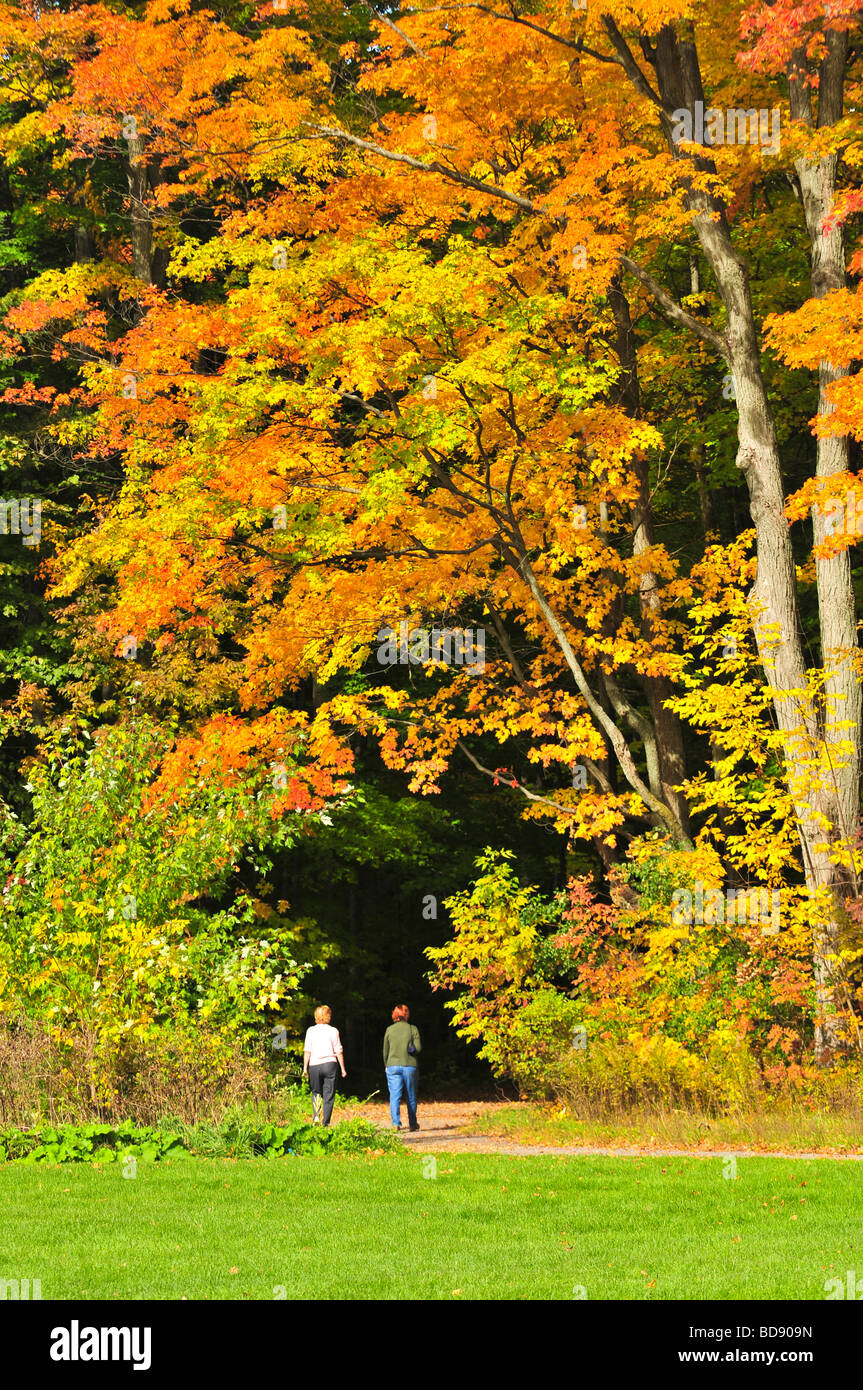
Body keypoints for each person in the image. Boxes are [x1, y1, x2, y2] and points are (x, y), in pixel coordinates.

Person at [302, 1005, 346, 1126]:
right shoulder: (333, 1031)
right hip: (330, 1064)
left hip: (314, 1065)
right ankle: (325, 1123)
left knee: (316, 1092)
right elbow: (338, 1051)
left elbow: (307, 1051)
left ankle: (316, 1117)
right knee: (329, 1094)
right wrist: (342, 1068)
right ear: (328, 1016)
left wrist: (305, 1068)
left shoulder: (310, 1030)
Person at [383, 1005, 421, 1131]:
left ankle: (396, 1124)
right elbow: (419, 1048)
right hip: (410, 1066)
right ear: (406, 1014)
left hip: (392, 1066)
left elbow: (385, 1051)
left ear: (395, 1014)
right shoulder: (412, 1028)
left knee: (395, 1096)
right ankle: (412, 1124)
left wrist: (386, 1064)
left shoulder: (389, 1029)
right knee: (411, 1095)